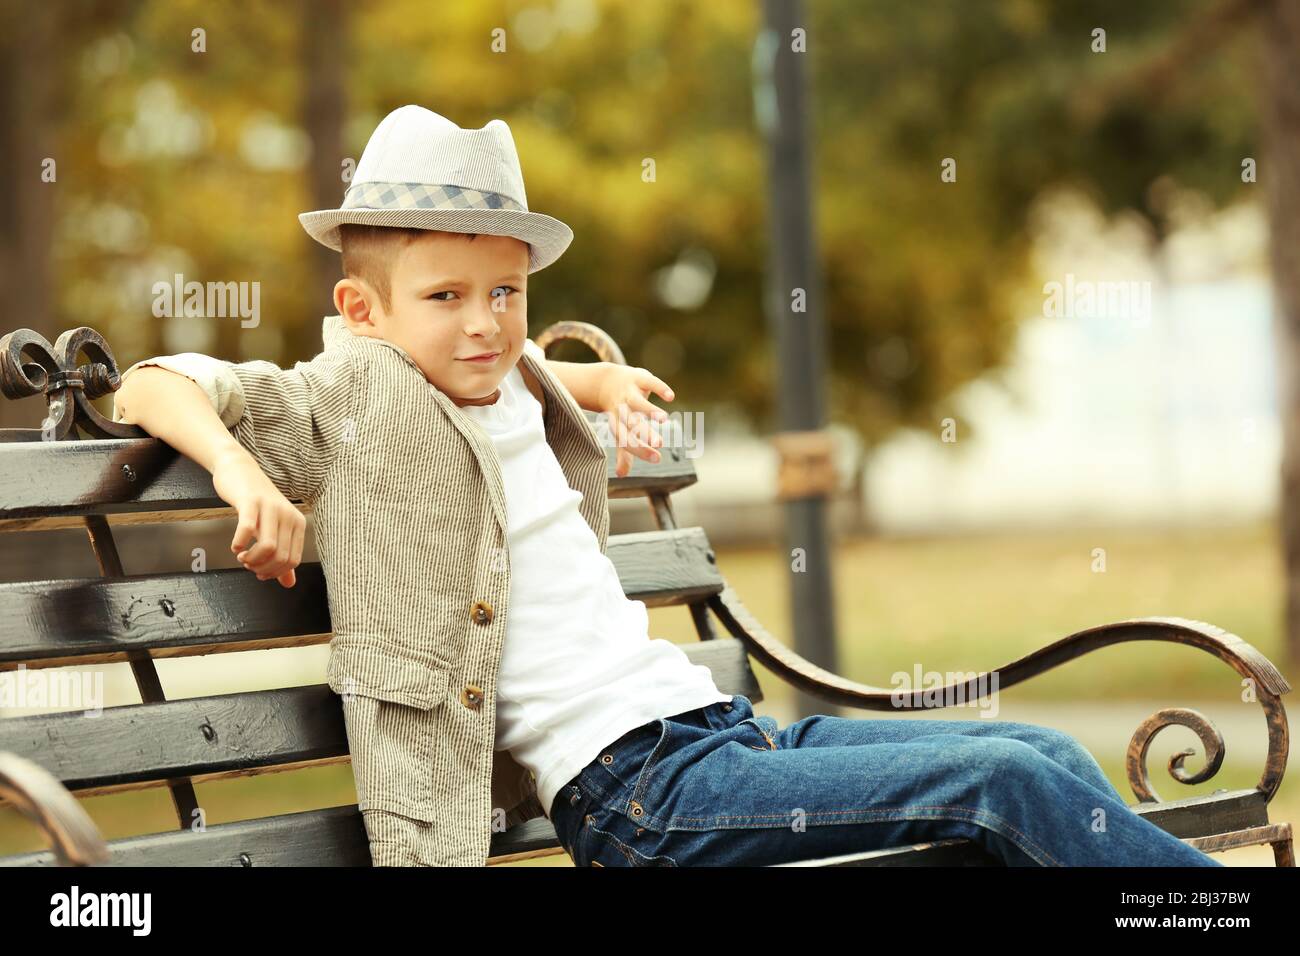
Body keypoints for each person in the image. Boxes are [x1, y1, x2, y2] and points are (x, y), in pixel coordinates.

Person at [112, 105, 1221, 868]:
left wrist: (587, 379)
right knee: (1001, 793)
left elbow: (517, 365)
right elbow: (155, 382)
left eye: (504, 292)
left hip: (718, 734)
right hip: (636, 797)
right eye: (445, 294)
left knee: (1039, 752)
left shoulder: (506, 382)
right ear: (364, 314)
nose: (485, 321)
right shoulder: (344, 400)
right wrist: (240, 466)